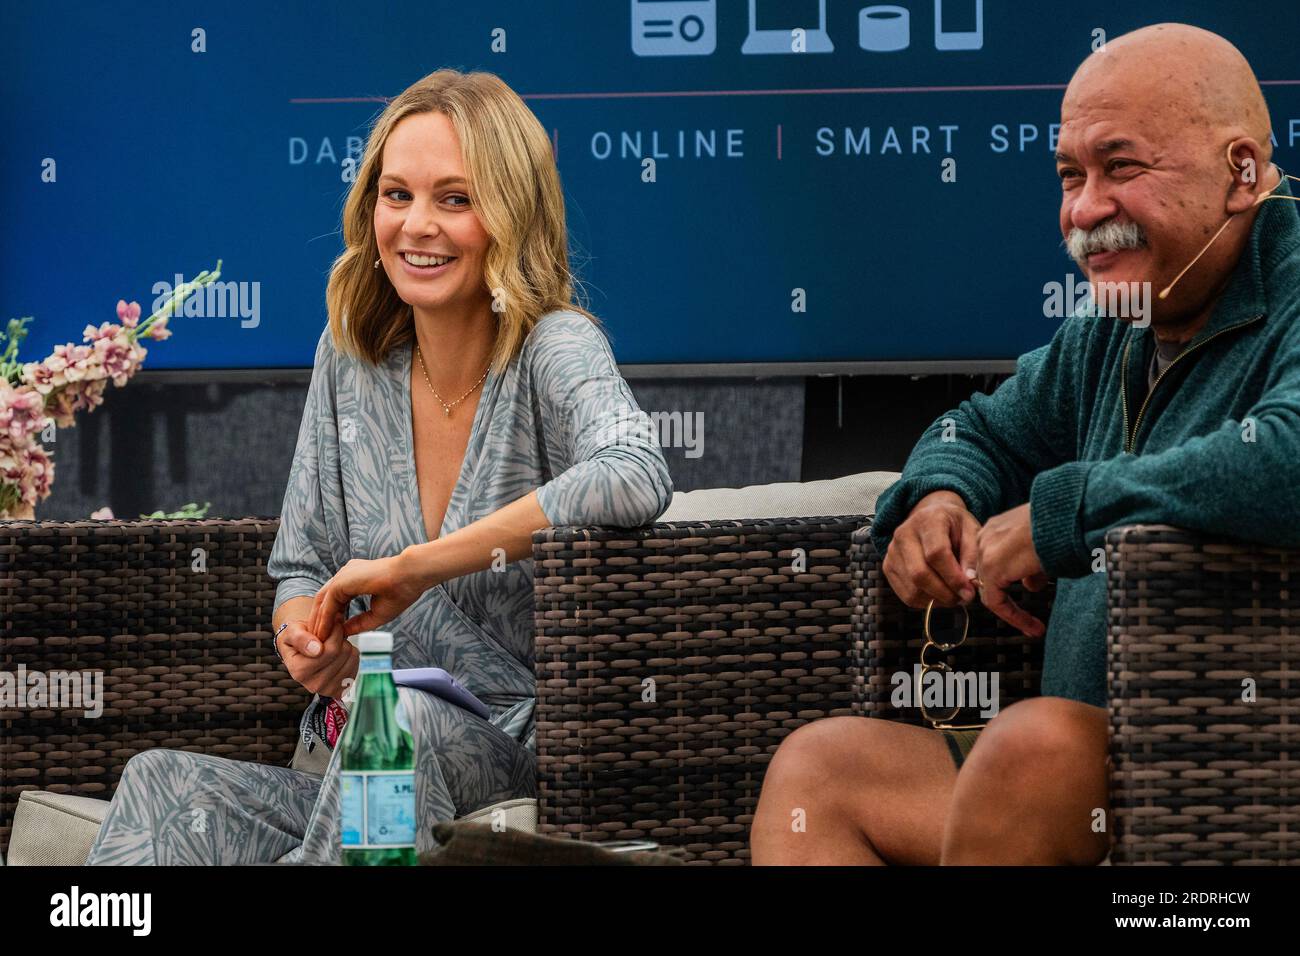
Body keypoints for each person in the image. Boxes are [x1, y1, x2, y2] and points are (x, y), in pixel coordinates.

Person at [86, 68, 672, 865]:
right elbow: (299, 567)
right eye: (396, 195)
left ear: (509, 215)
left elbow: (635, 470)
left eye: (454, 199)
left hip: (505, 748)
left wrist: (415, 569)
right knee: (160, 784)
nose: (417, 225)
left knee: (399, 723)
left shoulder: (554, 346)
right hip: (351, 753)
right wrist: (307, 639)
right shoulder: (350, 357)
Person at [751, 23, 1300, 865]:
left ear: (1242, 173)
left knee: (1032, 745)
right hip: (1085, 781)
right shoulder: (1115, 326)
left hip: (1246, 778)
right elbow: (975, 429)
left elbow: (1285, 458)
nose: (1083, 212)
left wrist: (1063, 513)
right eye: (1069, 177)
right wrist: (939, 497)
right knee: (821, 771)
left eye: (1120, 168)